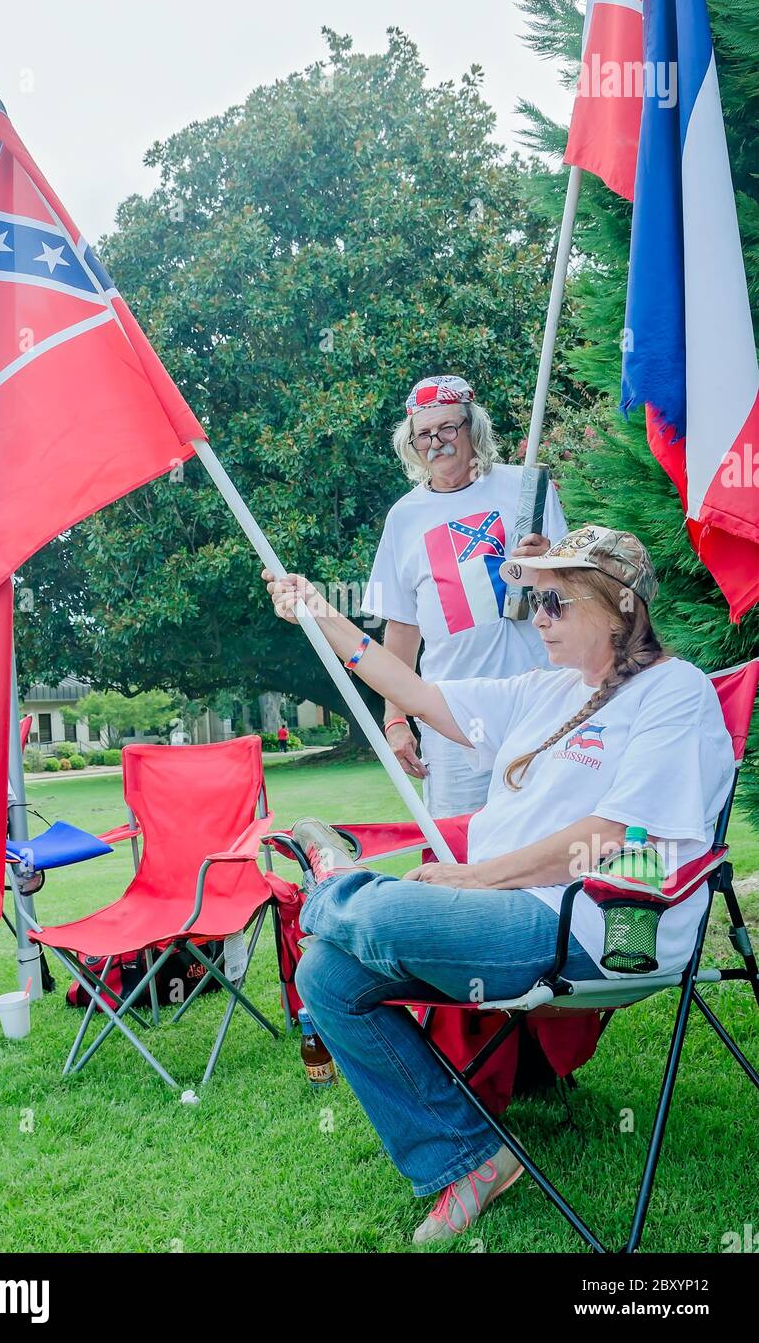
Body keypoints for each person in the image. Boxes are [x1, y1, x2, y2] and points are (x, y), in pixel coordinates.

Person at [262, 526, 734, 1246]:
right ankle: (468, 1159)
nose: (535, 616)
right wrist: (319, 613)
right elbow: (414, 690)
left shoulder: (674, 691)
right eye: (533, 599)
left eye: (554, 601)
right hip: (507, 908)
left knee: (366, 917)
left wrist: (476, 878)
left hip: (600, 923)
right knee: (327, 975)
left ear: (618, 609)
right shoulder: (543, 692)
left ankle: (332, 887)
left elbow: (611, 840)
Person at [361, 375, 567, 817]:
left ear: (472, 428)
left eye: (448, 428)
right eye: (424, 434)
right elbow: (401, 628)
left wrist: (548, 564)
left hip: (539, 698)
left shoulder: (528, 490)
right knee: (459, 844)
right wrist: (396, 718)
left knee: (547, 830)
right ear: (411, 444)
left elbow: (575, 592)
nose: (437, 442)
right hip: (449, 714)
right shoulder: (403, 518)